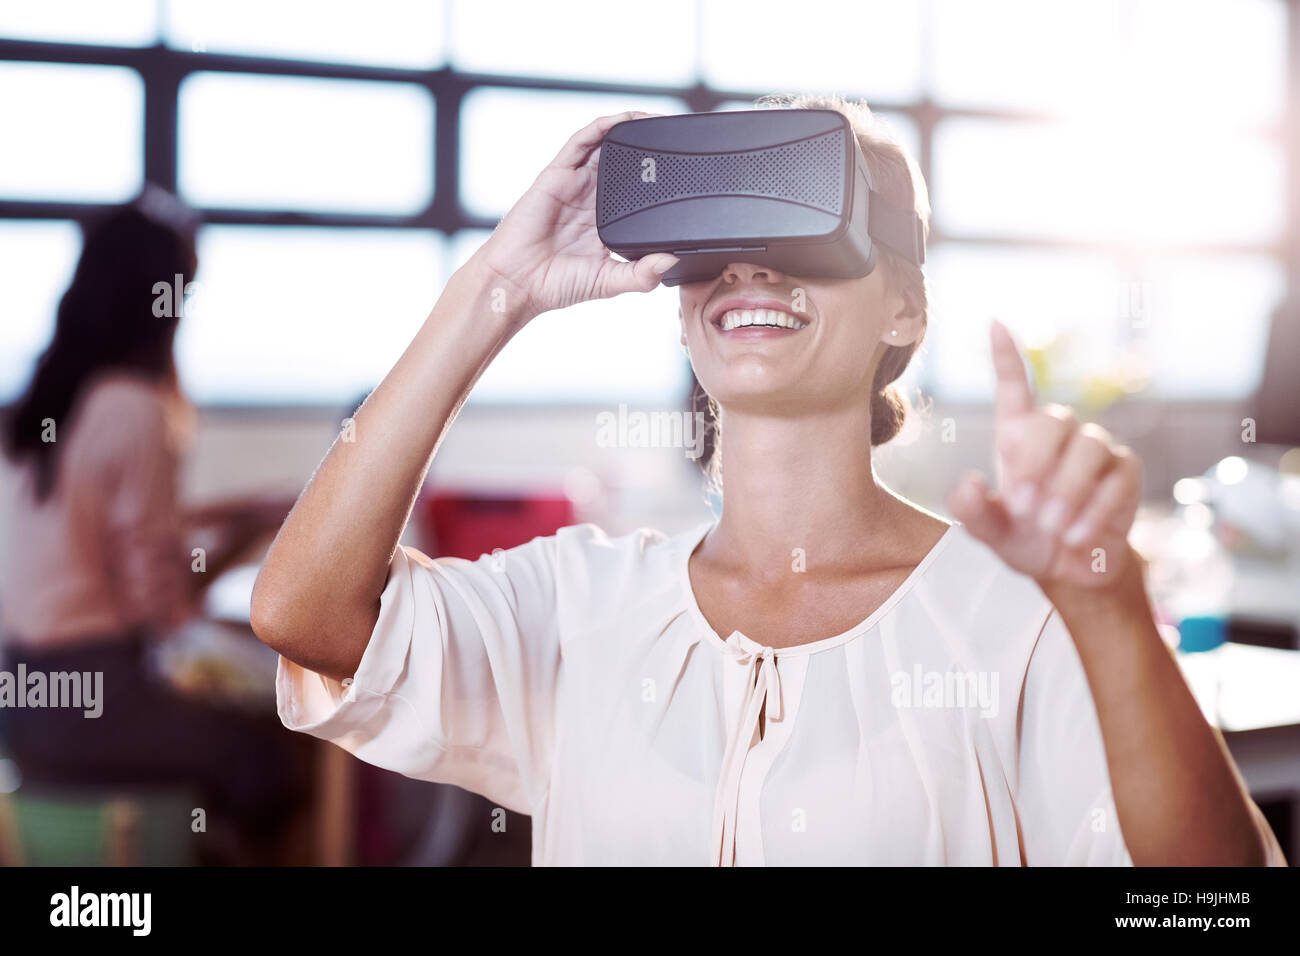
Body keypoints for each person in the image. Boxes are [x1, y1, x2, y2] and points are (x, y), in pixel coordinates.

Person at [253, 94, 1285, 865]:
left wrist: (1105, 610)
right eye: (722, 238)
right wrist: (497, 289)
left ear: (904, 310)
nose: (751, 267)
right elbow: (304, 610)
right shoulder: (582, 605)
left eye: (809, 228)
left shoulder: (1014, 618)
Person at [0, 188, 306, 863]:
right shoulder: (135, 407)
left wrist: (236, 513)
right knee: (275, 750)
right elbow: (162, 611)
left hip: (20, 702)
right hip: (94, 705)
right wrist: (241, 542)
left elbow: (87, 522)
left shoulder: (36, 406)